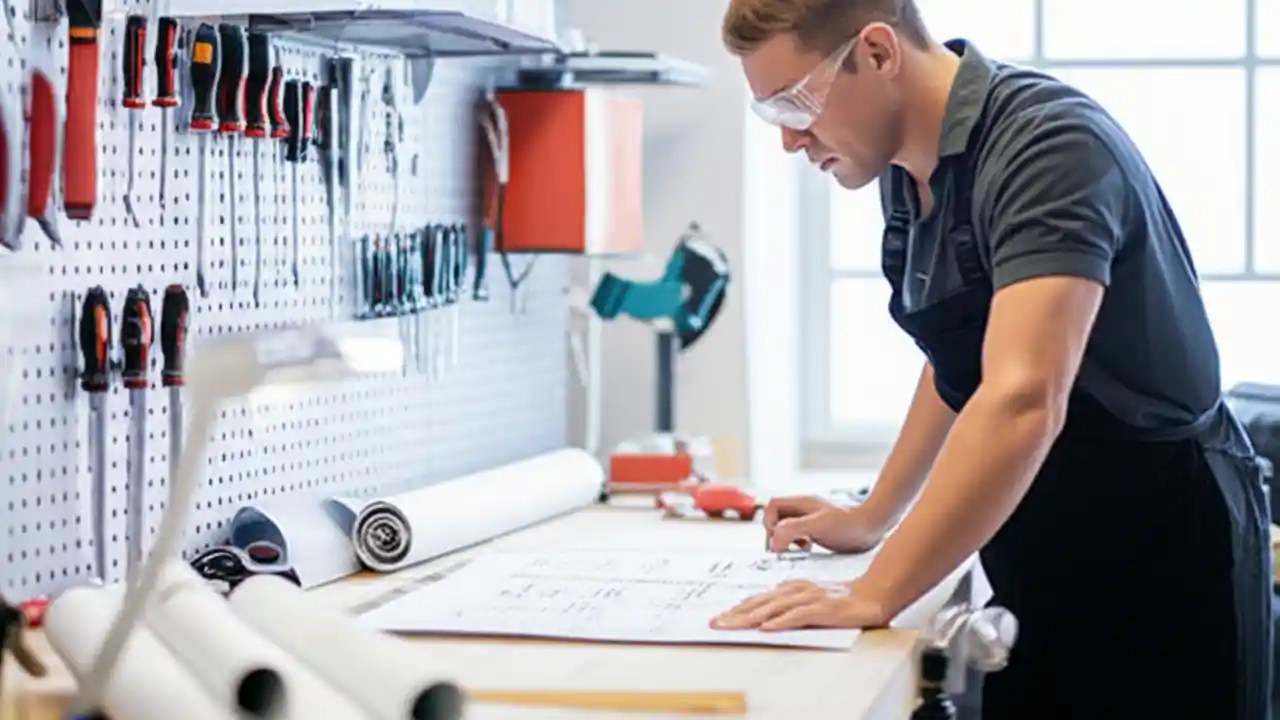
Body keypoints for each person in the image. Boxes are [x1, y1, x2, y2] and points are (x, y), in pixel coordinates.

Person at [708, 1, 1274, 718]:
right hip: (1042, 530)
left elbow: (1023, 397)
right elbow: (962, 361)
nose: (791, 138)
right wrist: (875, 515)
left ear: (879, 53)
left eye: (796, 101)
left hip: (1160, 541)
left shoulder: (1048, 147)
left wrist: (876, 589)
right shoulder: (910, 170)